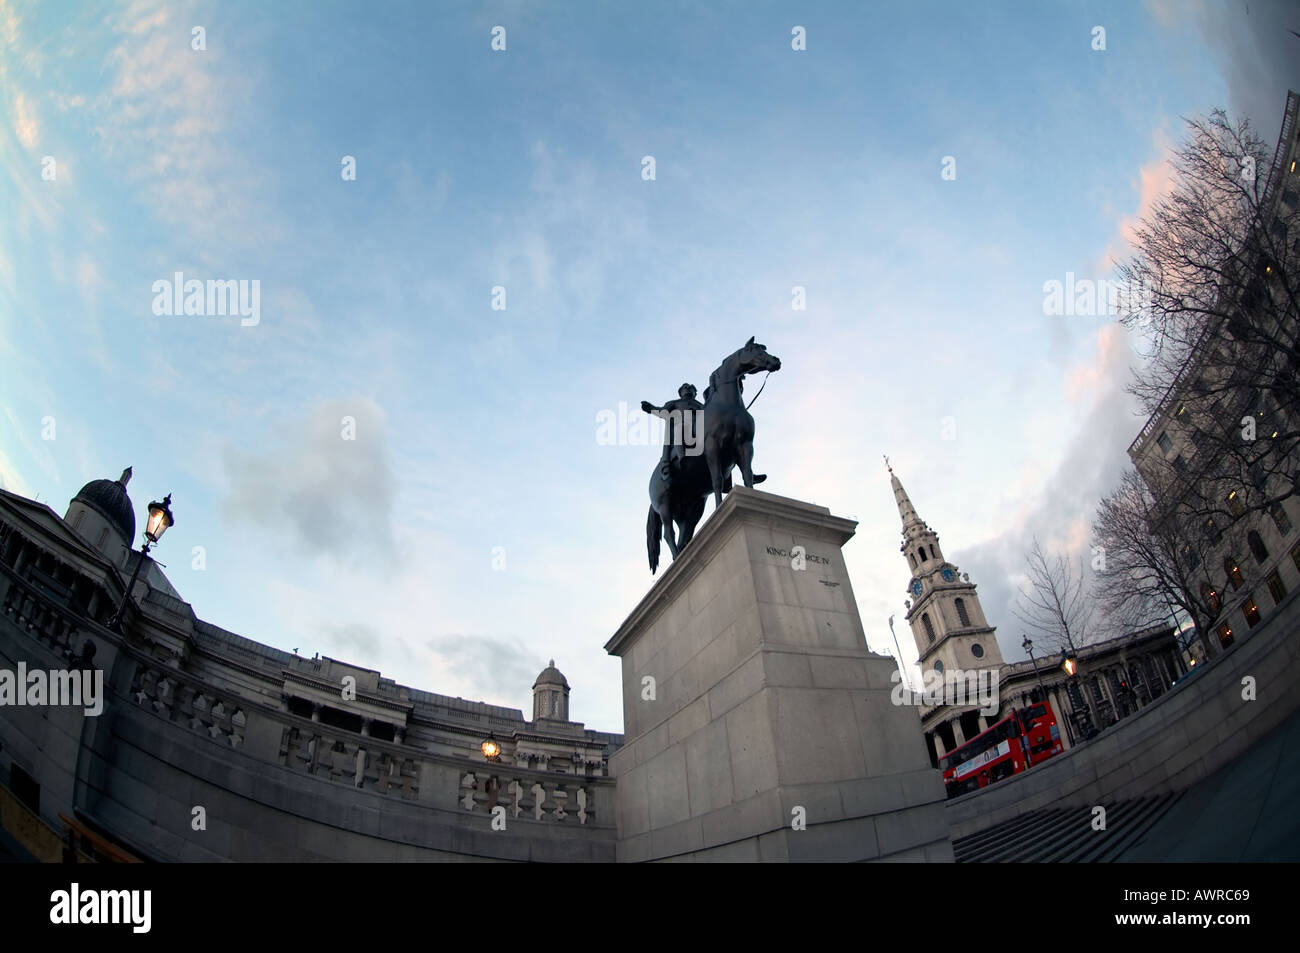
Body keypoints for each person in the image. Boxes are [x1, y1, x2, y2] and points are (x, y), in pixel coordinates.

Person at [641, 383, 703, 487]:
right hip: (683, 429)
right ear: (680, 392)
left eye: (690, 388)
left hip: (701, 429)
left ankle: (726, 478)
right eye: (685, 387)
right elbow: (663, 412)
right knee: (681, 428)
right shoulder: (674, 403)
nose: (688, 389)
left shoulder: (701, 405)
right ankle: (683, 459)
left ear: (695, 393)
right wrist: (651, 408)